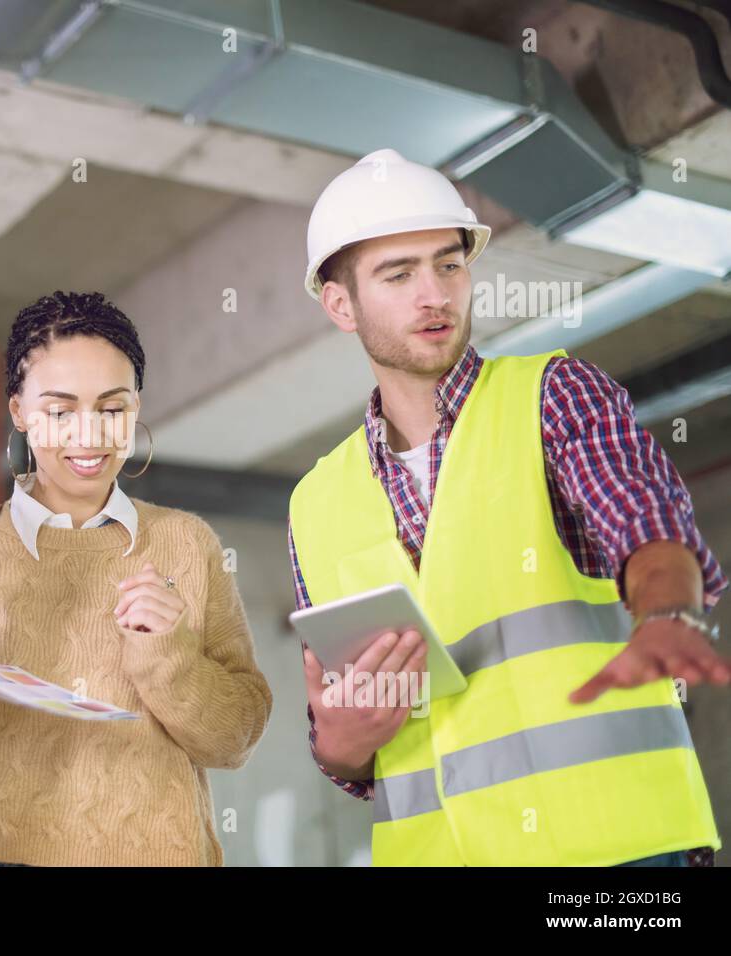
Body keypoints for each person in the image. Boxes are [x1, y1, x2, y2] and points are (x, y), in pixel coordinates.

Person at [290, 148, 728, 867]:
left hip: (617, 856)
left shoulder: (553, 396)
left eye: (448, 264)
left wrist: (667, 612)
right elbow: (348, 750)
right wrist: (341, 738)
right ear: (341, 304)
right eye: (398, 275)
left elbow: (648, 529)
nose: (434, 294)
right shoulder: (315, 502)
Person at [0, 291, 272, 866]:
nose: (90, 434)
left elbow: (236, 739)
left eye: (111, 407)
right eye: (59, 410)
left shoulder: (186, 542)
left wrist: (168, 658)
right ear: (19, 411)